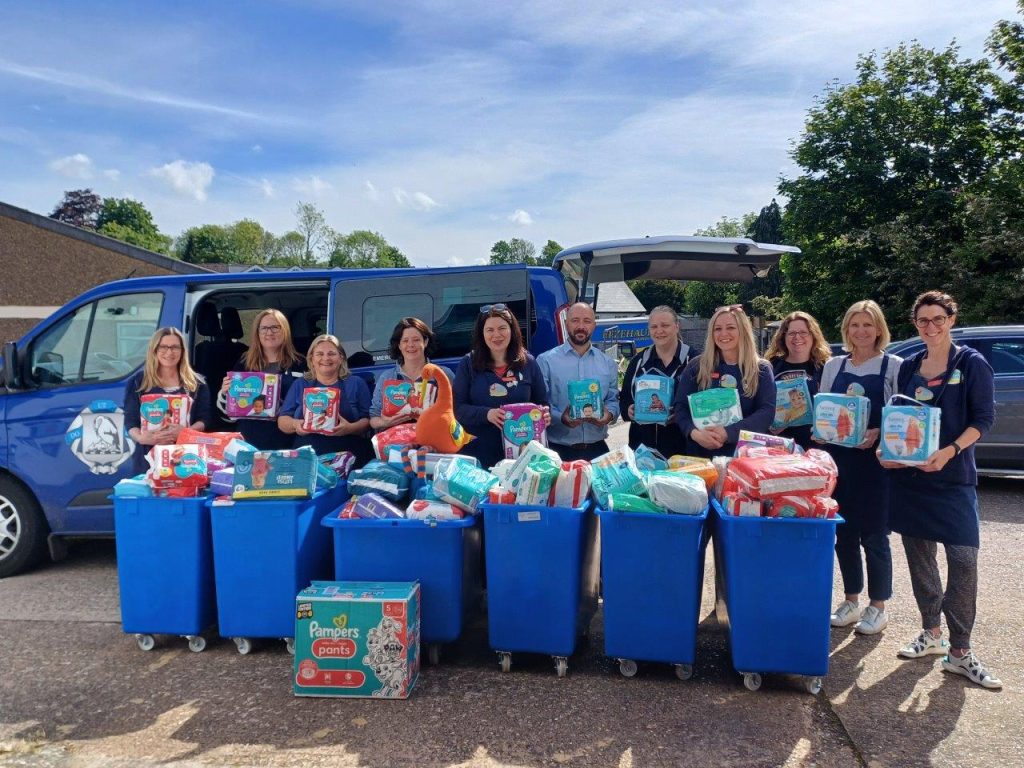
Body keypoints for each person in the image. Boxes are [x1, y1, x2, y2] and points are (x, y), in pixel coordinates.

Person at [880, 291, 1001, 689]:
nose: (930, 327)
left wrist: (950, 451)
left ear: (951, 318)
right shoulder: (911, 365)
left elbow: (984, 419)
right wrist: (888, 449)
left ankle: (961, 652)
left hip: (952, 478)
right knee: (920, 558)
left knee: (964, 560)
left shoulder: (971, 363)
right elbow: (899, 417)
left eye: (937, 319)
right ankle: (932, 634)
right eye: (922, 321)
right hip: (911, 480)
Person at [818, 300, 901, 636]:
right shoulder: (834, 365)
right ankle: (851, 600)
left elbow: (900, 417)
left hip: (876, 465)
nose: (861, 331)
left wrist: (879, 431)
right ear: (846, 330)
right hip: (841, 463)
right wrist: (822, 432)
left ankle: (878, 606)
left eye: (868, 325)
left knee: (875, 536)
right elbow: (823, 408)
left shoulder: (893, 365)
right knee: (844, 534)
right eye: (855, 325)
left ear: (879, 329)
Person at [453, 304, 549, 469]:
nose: (496, 335)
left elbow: (543, 403)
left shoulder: (528, 363)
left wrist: (545, 415)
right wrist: (487, 414)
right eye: (489, 330)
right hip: (480, 456)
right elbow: (457, 409)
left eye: (502, 328)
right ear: (482, 334)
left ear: (512, 330)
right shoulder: (468, 364)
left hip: (523, 457)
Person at [673, 304, 775, 459]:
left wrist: (728, 433)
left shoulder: (760, 369)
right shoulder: (696, 366)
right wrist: (694, 433)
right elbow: (680, 407)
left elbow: (766, 413)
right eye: (717, 329)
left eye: (730, 327)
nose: (723, 333)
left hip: (745, 459)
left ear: (743, 330)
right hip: (702, 458)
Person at [538, 302, 620, 462]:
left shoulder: (608, 363)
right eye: (575, 320)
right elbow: (541, 405)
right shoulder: (545, 361)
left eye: (587, 321)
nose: (581, 326)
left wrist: (608, 415)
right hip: (558, 452)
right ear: (566, 323)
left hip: (598, 451)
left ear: (594, 325)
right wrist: (560, 417)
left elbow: (613, 400)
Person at [124, 327, 212, 475]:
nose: (169, 352)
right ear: (154, 349)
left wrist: (186, 432)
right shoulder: (138, 382)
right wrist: (141, 437)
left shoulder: (197, 383)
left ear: (182, 351)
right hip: (147, 459)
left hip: (186, 459)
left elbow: (206, 418)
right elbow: (130, 420)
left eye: (175, 347)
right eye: (163, 347)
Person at [277, 334, 372, 466]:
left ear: (341, 358)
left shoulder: (356, 383)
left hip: (349, 456)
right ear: (311, 359)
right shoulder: (300, 384)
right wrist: (296, 425)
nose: (326, 358)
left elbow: (368, 421)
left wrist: (350, 428)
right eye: (319, 354)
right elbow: (282, 421)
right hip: (308, 458)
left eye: (331, 354)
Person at [218, 309, 306, 450]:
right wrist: (225, 394)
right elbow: (228, 416)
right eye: (264, 328)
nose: (269, 332)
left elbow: (309, 404)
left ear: (285, 331)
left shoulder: (301, 363)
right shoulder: (244, 362)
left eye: (275, 327)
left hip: (288, 441)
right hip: (249, 441)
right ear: (257, 333)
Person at [618, 305, 694, 457]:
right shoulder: (638, 362)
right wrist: (629, 410)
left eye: (665, 325)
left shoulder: (694, 361)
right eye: (654, 326)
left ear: (677, 326)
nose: (659, 331)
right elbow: (624, 400)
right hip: (643, 452)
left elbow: (704, 406)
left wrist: (681, 416)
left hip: (683, 452)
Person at [369, 317, 454, 431]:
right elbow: (373, 417)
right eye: (405, 341)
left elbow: (458, 411)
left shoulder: (444, 374)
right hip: (397, 442)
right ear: (399, 345)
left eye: (416, 340)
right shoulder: (387, 377)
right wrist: (384, 422)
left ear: (426, 341)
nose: (411, 345)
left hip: (433, 441)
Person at [765, 311, 831, 450]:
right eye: (791, 333)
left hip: (817, 447)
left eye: (803, 332)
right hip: (779, 446)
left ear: (813, 335)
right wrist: (768, 426)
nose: (797, 337)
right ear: (784, 337)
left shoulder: (826, 366)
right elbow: (760, 405)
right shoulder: (771, 366)